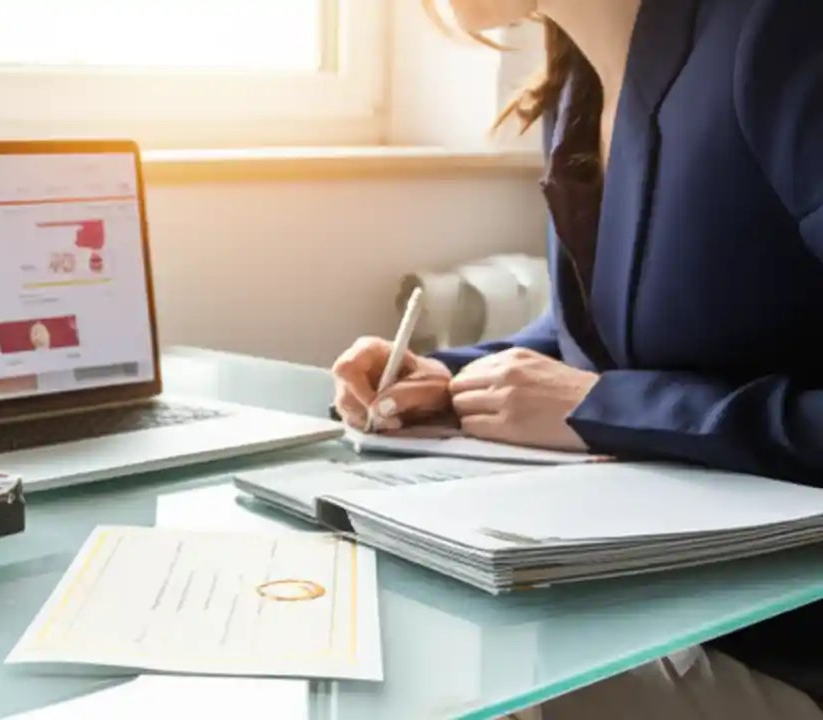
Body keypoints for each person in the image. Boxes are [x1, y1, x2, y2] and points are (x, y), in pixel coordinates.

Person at [331, 0, 823, 717]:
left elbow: (604, 385)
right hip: (658, 602)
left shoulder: (780, 30)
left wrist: (602, 409)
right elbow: (609, 333)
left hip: (782, 640)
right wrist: (449, 380)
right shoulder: (578, 84)